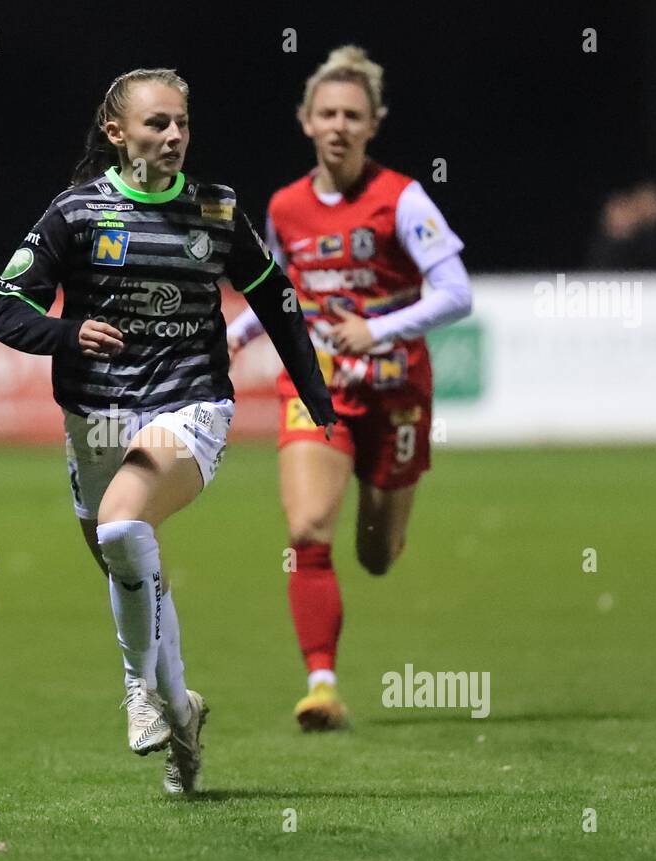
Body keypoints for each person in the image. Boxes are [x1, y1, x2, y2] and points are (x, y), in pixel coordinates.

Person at [0, 68, 336, 793]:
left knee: (121, 529)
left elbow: (275, 298)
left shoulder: (214, 208)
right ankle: (181, 714)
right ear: (117, 133)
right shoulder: (77, 213)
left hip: (190, 405)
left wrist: (316, 395)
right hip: (97, 420)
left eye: (181, 123)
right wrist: (68, 331)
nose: (174, 136)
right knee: (133, 564)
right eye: (156, 124)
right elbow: (7, 307)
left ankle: (140, 694)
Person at [226, 46, 472, 730]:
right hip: (320, 383)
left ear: (374, 124)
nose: (338, 125)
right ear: (306, 120)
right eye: (327, 112)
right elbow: (283, 293)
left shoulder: (402, 199)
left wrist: (382, 328)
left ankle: (386, 515)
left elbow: (457, 295)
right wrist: (236, 335)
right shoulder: (284, 206)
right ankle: (322, 685)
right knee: (306, 528)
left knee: (377, 554)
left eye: (353, 115)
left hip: (395, 390)